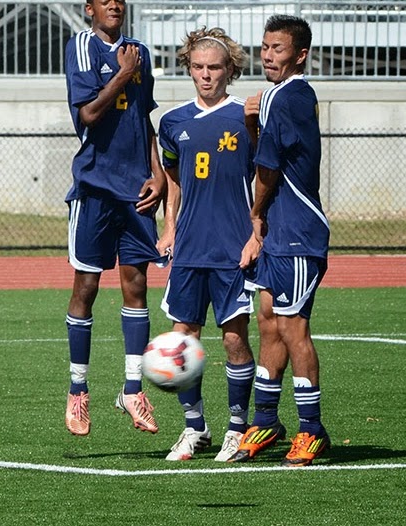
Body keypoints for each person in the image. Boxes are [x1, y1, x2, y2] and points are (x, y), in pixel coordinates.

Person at [62, 0, 167, 438]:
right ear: (89, 9)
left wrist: (159, 173)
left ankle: (131, 389)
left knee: (137, 285)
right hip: (96, 191)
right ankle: (77, 391)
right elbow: (86, 114)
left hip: (137, 190)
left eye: (120, 0)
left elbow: (143, 119)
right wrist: (121, 74)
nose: (115, 5)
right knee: (86, 287)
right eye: (105, 0)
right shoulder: (82, 47)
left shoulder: (139, 50)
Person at [229, 15, 331, 467]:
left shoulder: (288, 96)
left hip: (298, 234)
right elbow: (264, 155)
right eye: (265, 46)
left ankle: (312, 430)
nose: (268, 55)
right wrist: (251, 125)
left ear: (300, 54)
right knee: (269, 321)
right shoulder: (275, 98)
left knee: (293, 327)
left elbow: (267, 171)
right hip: (279, 232)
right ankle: (267, 419)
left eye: (278, 48)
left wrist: (254, 217)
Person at [155, 28, 256, 461]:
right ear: (188, 69)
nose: (206, 75)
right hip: (191, 248)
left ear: (230, 69)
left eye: (214, 67)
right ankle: (195, 427)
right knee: (183, 340)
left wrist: (257, 232)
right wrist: (170, 227)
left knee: (234, 338)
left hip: (234, 248)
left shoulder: (248, 115)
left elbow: (267, 178)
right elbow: (173, 181)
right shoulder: (173, 123)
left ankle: (238, 428)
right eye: (198, 67)